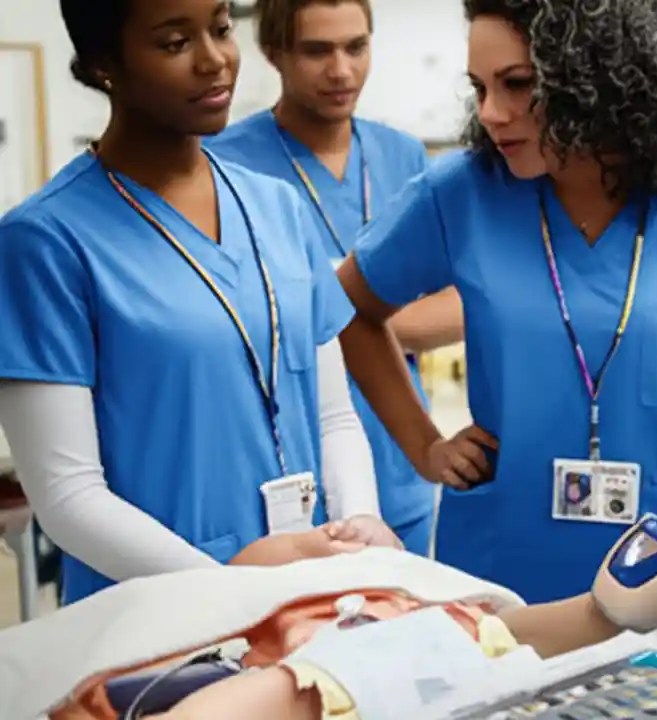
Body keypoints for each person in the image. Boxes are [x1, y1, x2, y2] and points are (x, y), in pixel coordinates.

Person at [335, 0, 657, 611]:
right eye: (479, 88)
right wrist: (424, 446)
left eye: (518, 85)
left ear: (599, 76)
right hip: (501, 566)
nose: (490, 113)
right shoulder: (462, 193)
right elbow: (351, 308)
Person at [0, 0, 400, 606]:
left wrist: (361, 524)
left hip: (308, 595)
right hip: (151, 617)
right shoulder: (46, 242)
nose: (215, 61)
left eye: (219, 29)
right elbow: (67, 496)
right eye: (173, 43)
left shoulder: (277, 207)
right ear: (105, 62)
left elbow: (333, 415)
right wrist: (231, 587)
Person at [207, 0, 465, 556]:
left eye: (356, 47)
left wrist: (345, 319)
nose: (341, 71)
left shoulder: (401, 154)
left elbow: (466, 301)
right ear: (272, 52)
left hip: (401, 454)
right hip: (290, 470)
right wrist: (366, 314)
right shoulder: (222, 163)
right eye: (317, 51)